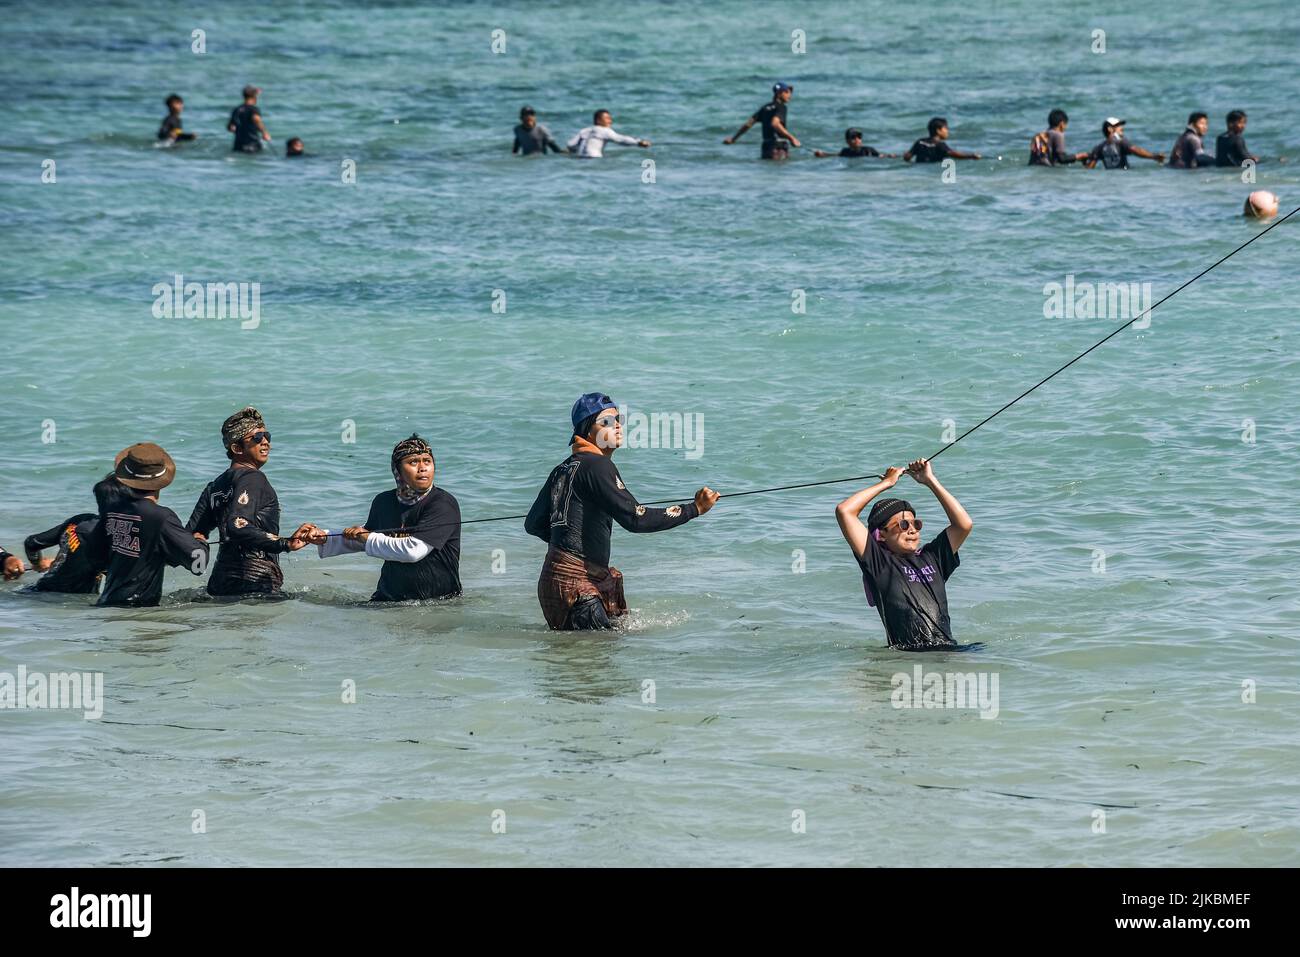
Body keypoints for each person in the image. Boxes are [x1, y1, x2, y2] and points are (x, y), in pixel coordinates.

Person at [525, 392, 719, 630]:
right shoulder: (598, 465)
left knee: (583, 659)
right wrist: (695, 508)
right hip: (578, 590)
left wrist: (567, 543)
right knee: (600, 658)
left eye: (619, 420)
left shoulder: (562, 469)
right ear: (587, 430)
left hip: (553, 585)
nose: (617, 426)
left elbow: (533, 523)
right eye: (606, 422)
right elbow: (636, 519)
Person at [835, 458, 973, 650]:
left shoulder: (933, 558)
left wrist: (929, 480)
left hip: (947, 650)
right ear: (882, 534)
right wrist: (886, 484)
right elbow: (845, 511)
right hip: (908, 654)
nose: (912, 529)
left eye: (916, 524)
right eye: (903, 524)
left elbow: (963, 525)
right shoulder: (879, 564)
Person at [305, 434, 462, 602]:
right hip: (387, 599)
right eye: (413, 462)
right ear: (397, 470)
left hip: (439, 602)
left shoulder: (442, 504)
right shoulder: (384, 502)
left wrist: (366, 537)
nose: (423, 468)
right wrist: (325, 538)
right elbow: (364, 537)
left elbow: (413, 551)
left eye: (427, 461)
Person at [186, 407, 311, 598]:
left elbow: (191, 536)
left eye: (266, 435)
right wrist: (286, 543)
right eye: (257, 437)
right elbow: (238, 525)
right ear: (237, 449)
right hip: (256, 579)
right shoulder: (253, 477)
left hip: (220, 581)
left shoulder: (214, 487)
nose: (266, 442)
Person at [91, 443, 209, 608]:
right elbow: (199, 563)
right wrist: (200, 541)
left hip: (107, 604)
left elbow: (98, 556)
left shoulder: (113, 510)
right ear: (161, 481)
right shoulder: (161, 517)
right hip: (138, 610)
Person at [22, 474, 124, 594]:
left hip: (37, 591)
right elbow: (117, 581)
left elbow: (32, 543)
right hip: (66, 603)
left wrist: (38, 563)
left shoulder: (81, 520)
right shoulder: (109, 534)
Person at [724, 82, 800, 160]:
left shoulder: (764, 108)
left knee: (767, 171)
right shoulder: (781, 107)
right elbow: (775, 123)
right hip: (778, 146)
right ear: (779, 93)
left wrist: (733, 139)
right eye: (787, 92)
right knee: (781, 171)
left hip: (766, 146)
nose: (790, 95)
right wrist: (792, 138)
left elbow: (748, 124)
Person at [1084, 117, 1164, 169]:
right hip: (1124, 177)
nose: (1121, 127)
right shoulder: (1121, 142)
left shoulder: (1099, 148)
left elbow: (1090, 168)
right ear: (1110, 129)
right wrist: (1154, 156)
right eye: (1118, 126)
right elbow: (1135, 150)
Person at [567, 110, 650, 158]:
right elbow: (620, 139)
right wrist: (639, 142)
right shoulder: (604, 130)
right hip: (594, 160)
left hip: (580, 159)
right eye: (607, 118)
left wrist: (572, 151)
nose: (610, 121)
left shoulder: (584, 130)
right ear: (598, 120)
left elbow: (570, 145)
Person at [904, 117, 981, 163]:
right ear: (938, 130)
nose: (947, 131)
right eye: (946, 129)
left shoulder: (920, 142)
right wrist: (971, 156)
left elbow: (907, 157)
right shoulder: (940, 144)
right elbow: (953, 154)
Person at [228, 85, 271, 153]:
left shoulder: (237, 109)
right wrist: (265, 133)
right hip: (252, 144)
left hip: (238, 145)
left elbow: (230, 128)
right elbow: (257, 120)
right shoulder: (253, 109)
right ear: (254, 96)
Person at [814, 128, 895, 159]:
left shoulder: (868, 150)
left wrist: (889, 156)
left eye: (859, 137)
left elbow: (880, 155)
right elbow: (836, 155)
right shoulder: (845, 151)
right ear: (847, 141)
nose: (857, 139)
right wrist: (822, 154)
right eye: (853, 137)